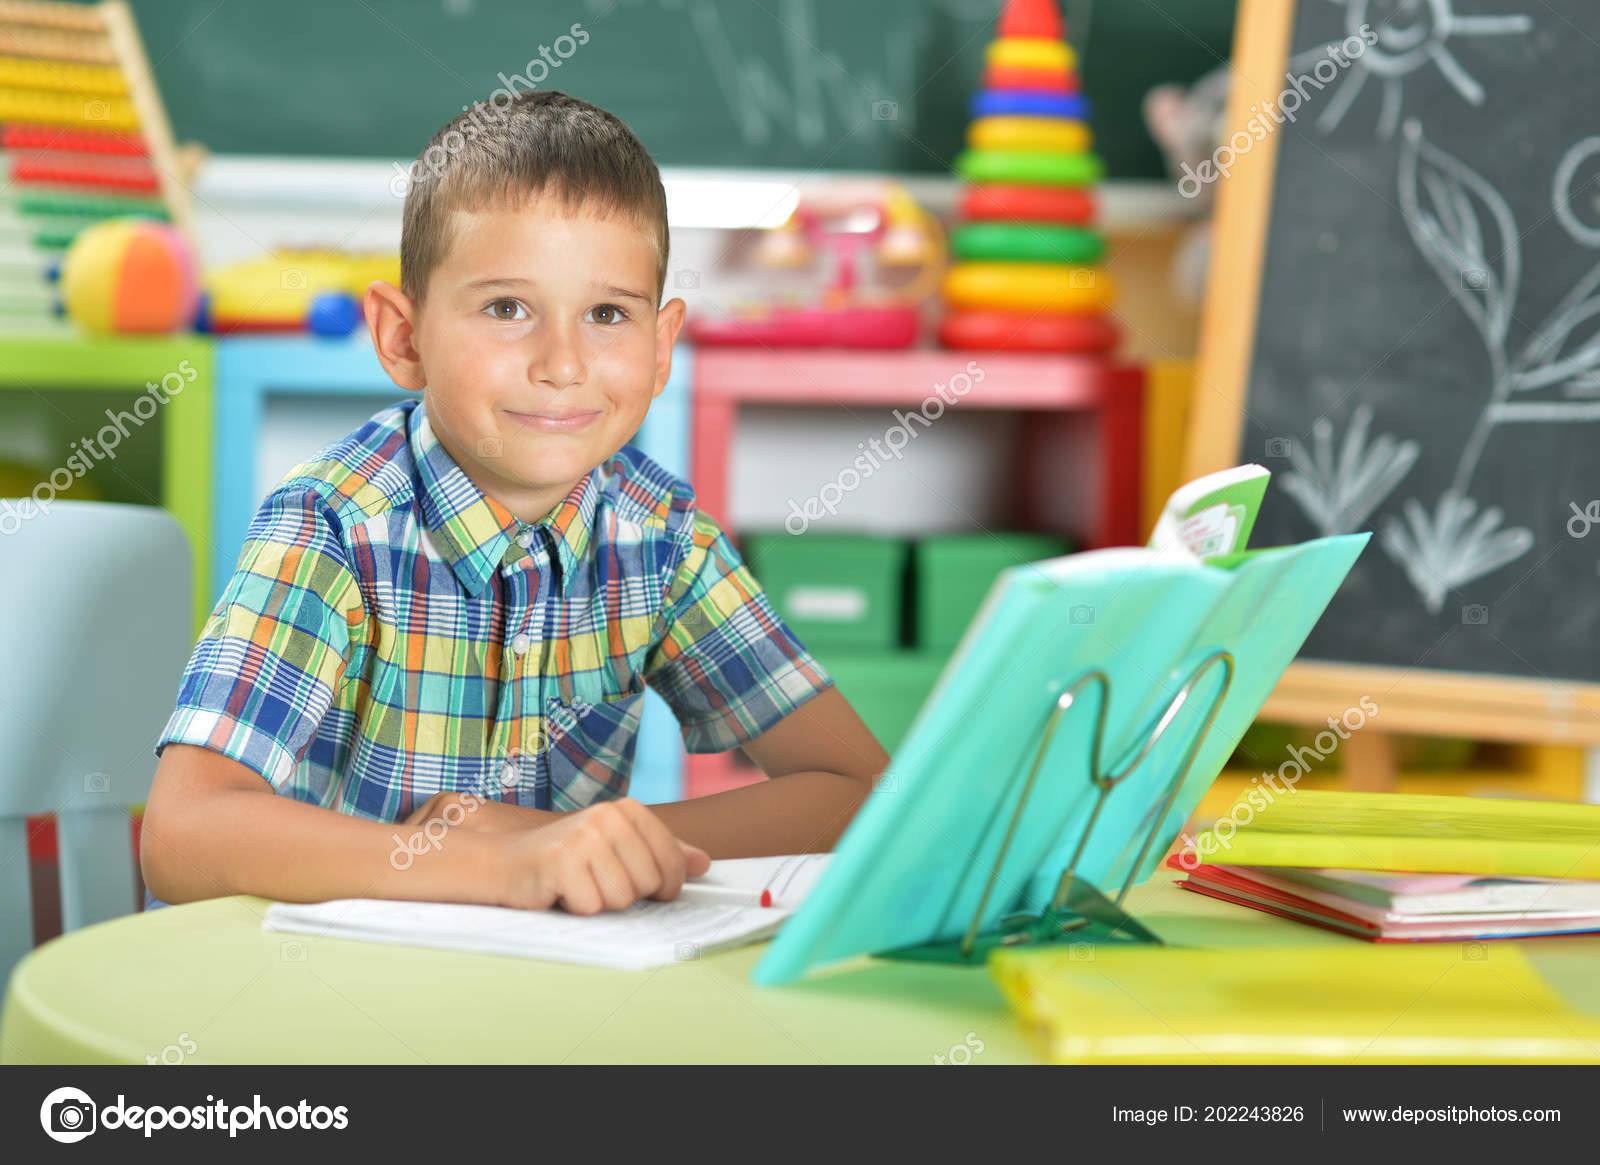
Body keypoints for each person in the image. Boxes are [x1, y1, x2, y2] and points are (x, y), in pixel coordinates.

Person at [141, 90, 888, 917]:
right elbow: (183, 836)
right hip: (328, 998)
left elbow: (861, 790)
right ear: (403, 337)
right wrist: (500, 865)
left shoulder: (664, 540)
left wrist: (609, 838)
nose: (562, 363)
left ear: (661, 344)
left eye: (608, 314)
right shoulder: (335, 528)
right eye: (506, 308)